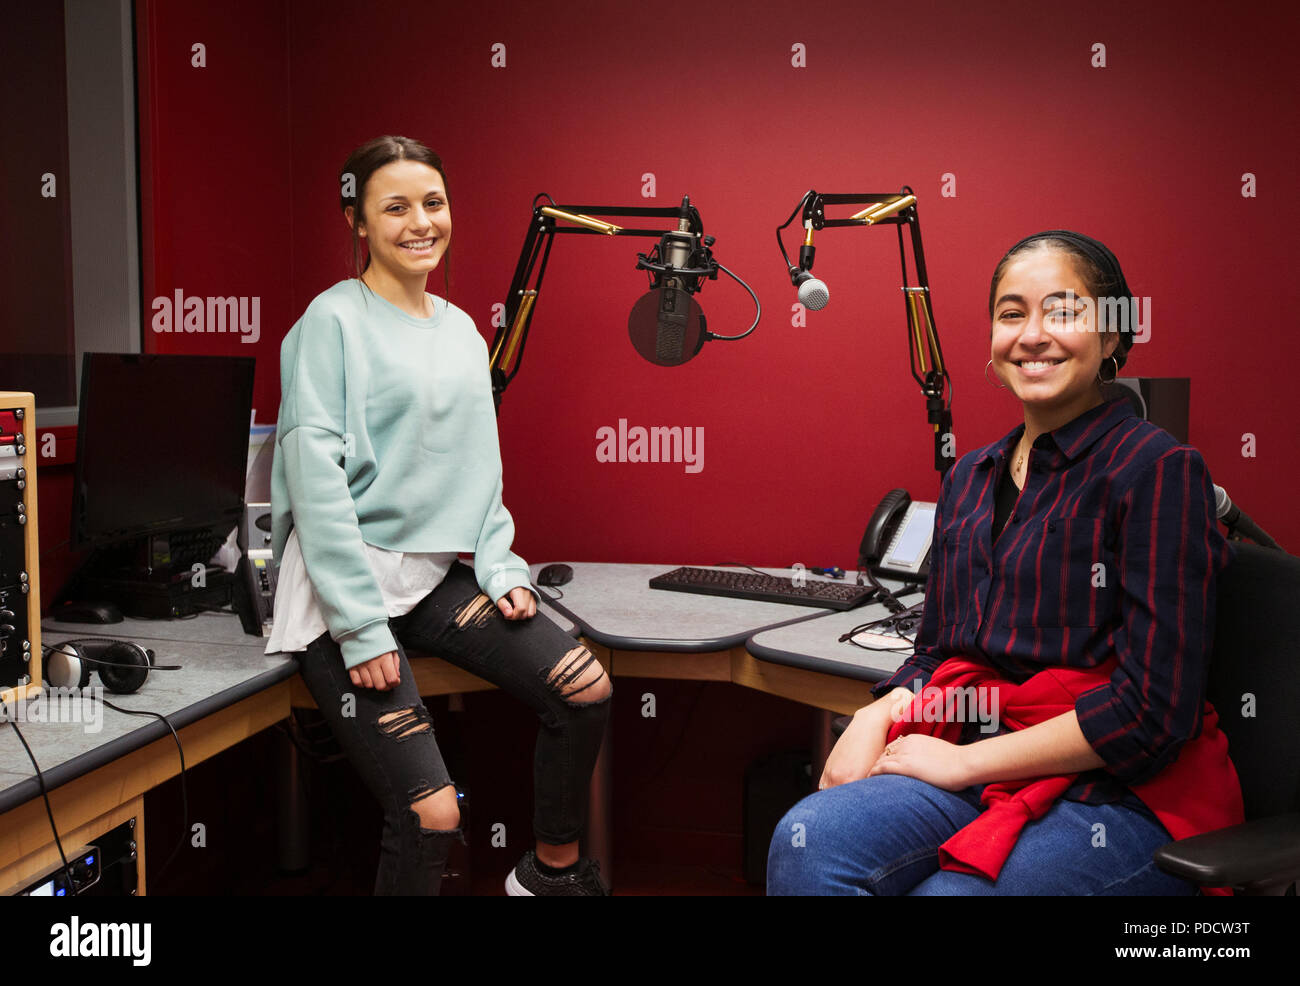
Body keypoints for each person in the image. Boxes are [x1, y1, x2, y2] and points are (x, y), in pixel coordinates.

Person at [767, 230, 1243, 895]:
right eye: (1012, 313)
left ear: (1112, 338)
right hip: (980, 760)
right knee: (806, 843)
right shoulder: (971, 476)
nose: (1033, 334)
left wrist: (960, 765)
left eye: (1064, 311)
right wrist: (876, 716)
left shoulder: (1157, 470)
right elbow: (939, 652)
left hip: (1116, 792)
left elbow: (1152, 713)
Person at [266, 135, 611, 896]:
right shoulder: (331, 323)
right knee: (433, 815)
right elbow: (315, 485)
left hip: (424, 576)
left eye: (433, 202)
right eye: (395, 207)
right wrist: (359, 627)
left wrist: (499, 566)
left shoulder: (459, 329)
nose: (421, 222)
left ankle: (547, 879)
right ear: (358, 222)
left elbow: (477, 472)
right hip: (338, 588)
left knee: (584, 687)